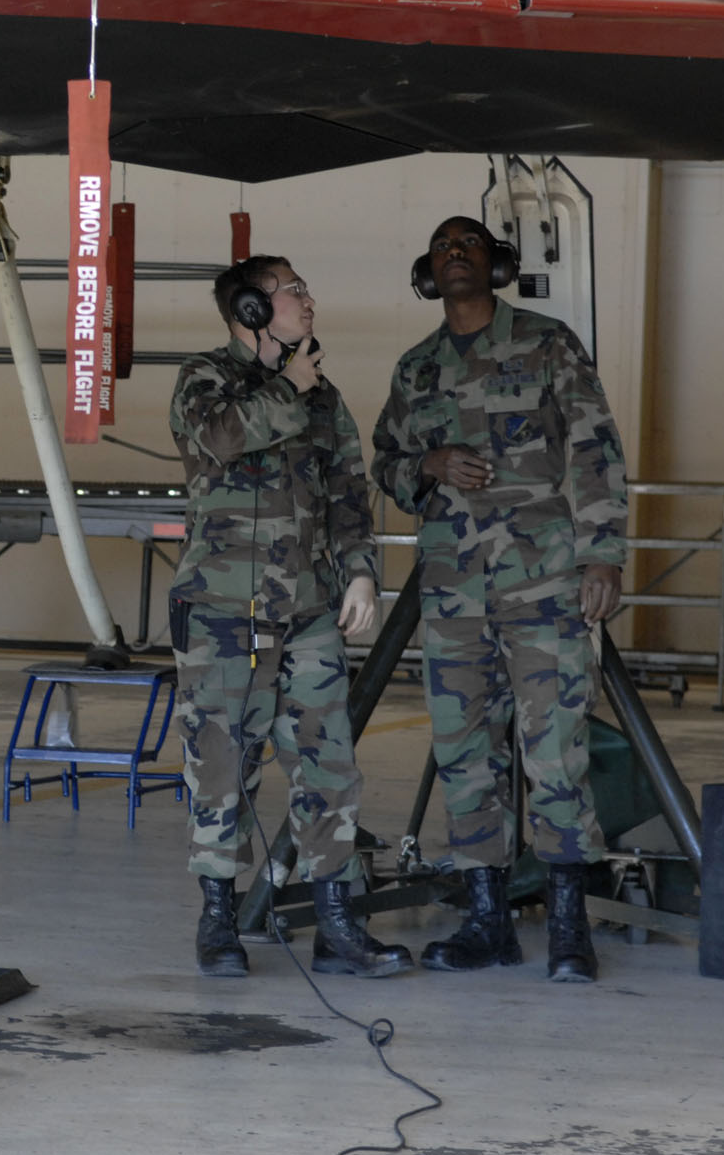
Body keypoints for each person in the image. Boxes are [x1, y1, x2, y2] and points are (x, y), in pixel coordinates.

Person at [372, 216, 628, 983]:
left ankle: (568, 928)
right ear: (429, 271)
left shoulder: (549, 345)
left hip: (543, 583)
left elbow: (595, 450)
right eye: (443, 248)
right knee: (463, 752)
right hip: (453, 591)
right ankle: (487, 919)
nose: (455, 255)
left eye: (469, 245)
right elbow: (384, 465)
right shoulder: (415, 368)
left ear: (497, 265)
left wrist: (604, 554)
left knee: (555, 750)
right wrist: (429, 463)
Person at [168, 255, 413, 980]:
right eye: (294, 291)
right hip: (221, 614)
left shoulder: (323, 397)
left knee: (328, 766)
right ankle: (219, 922)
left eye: (307, 287)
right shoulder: (204, 378)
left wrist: (362, 571)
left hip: (306, 610)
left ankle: (337, 925)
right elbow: (216, 439)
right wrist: (287, 387)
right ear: (249, 310)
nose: (310, 300)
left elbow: (347, 492)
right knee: (220, 768)